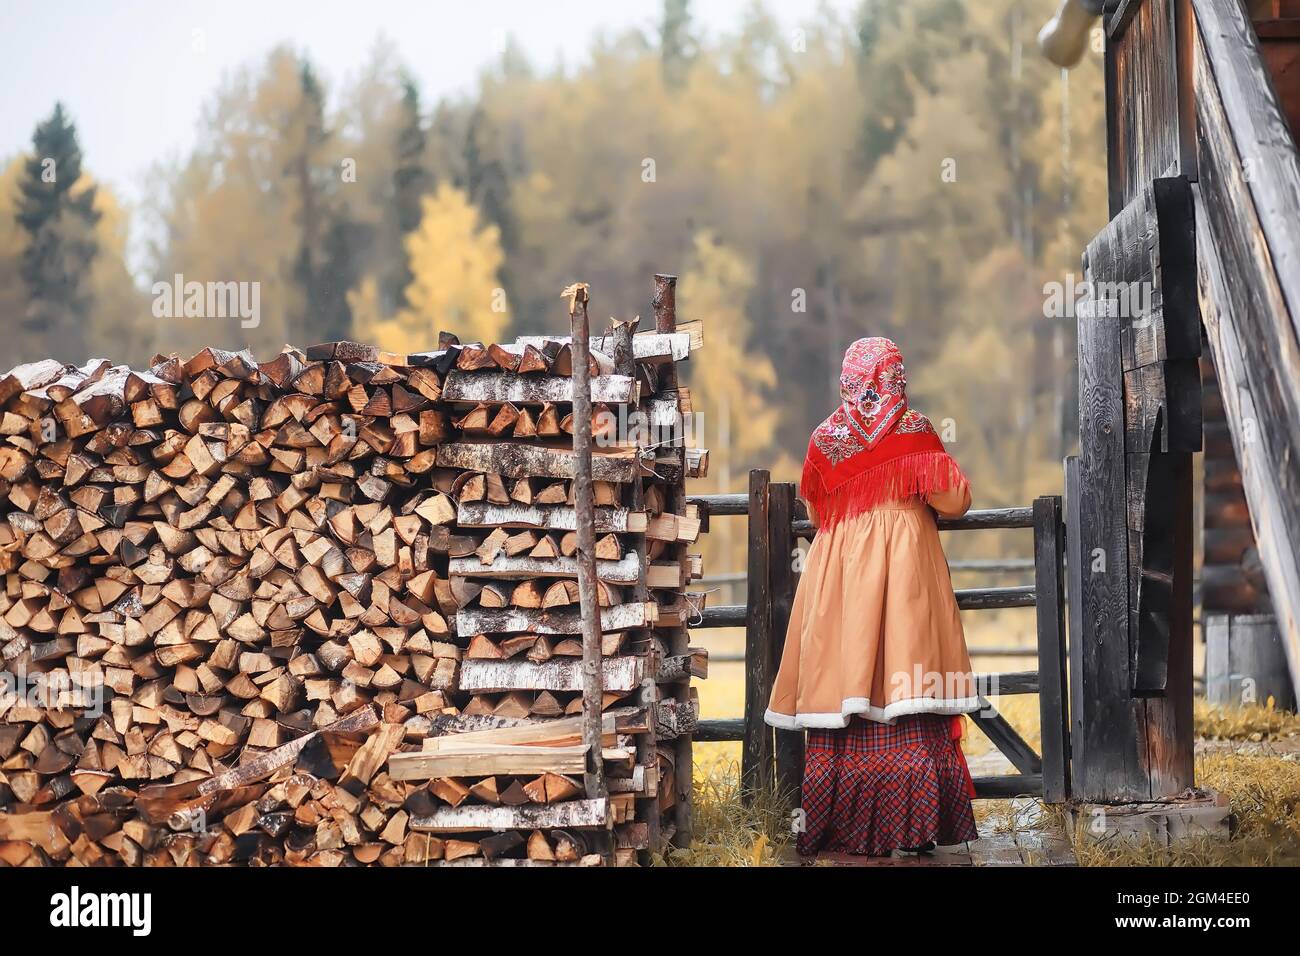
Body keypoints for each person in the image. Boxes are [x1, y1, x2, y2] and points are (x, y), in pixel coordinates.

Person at [765, 336, 980, 858]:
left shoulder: (826, 439)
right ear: (893, 377)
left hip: (839, 576)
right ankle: (912, 825)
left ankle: (844, 825)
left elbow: (816, 515)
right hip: (906, 570)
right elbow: (955, 501)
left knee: (847, 681)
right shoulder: (914, 430)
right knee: (908, 683)